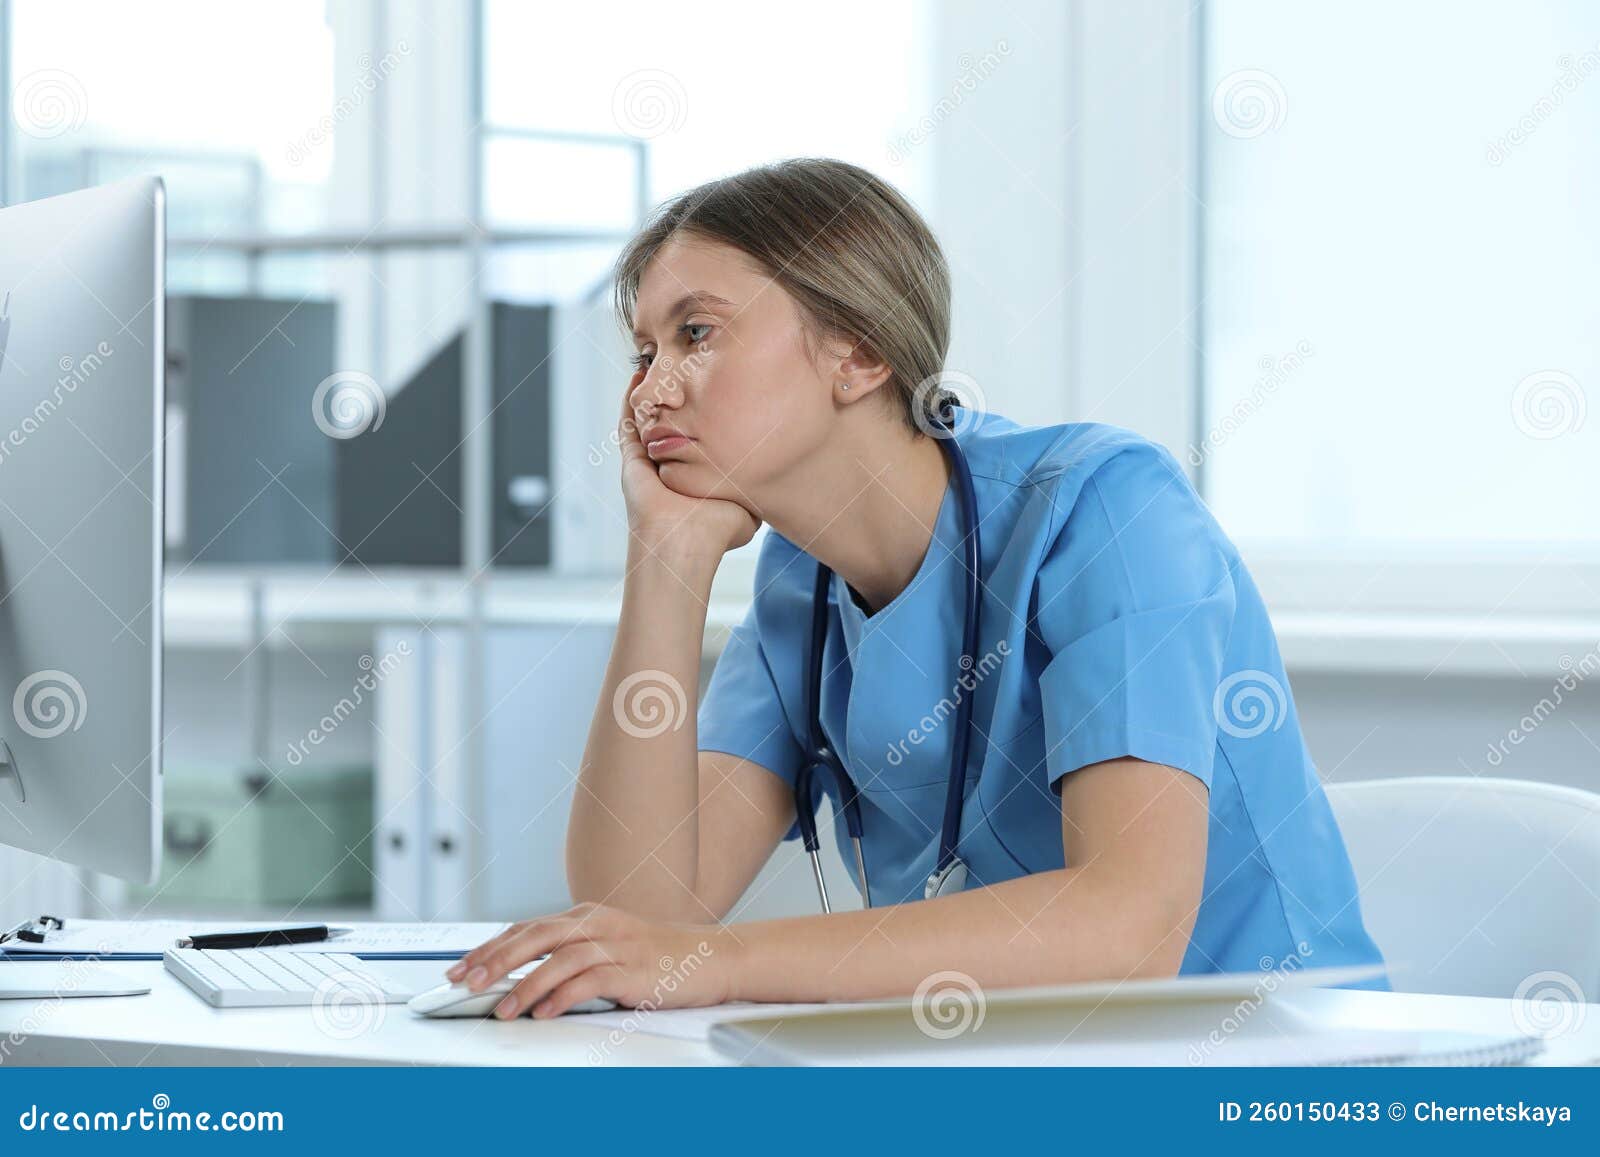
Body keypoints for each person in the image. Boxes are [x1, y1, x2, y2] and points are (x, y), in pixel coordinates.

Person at [446, 157, 1388, 1019]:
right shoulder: (801, 591)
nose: (650, 392)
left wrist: (716, 963)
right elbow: (633, 919)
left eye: (697, 334)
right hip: (1002, 1067)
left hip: (1268, 1065)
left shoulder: (1108, 509)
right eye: (644, 352)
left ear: (858, 353)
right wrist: (667, 559)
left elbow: (1127, 927)